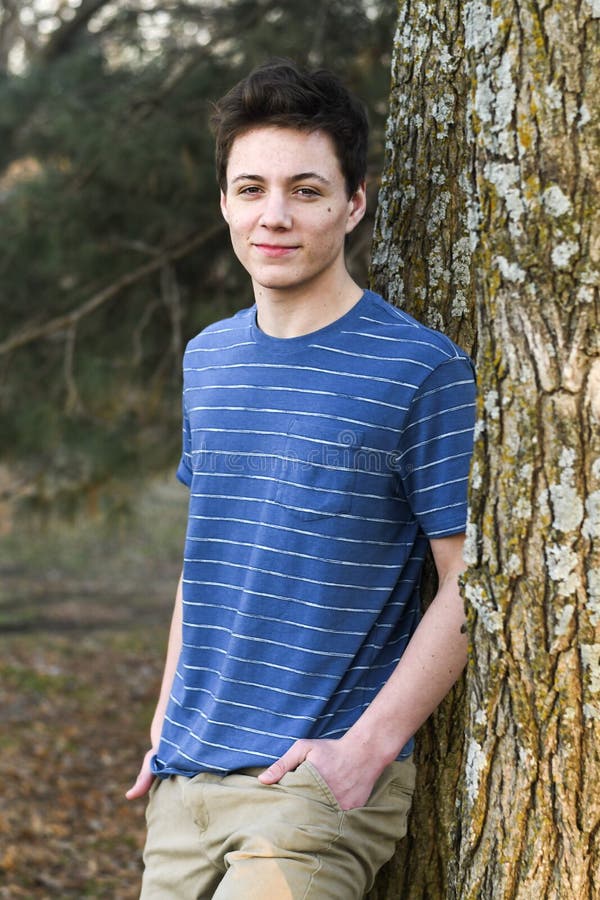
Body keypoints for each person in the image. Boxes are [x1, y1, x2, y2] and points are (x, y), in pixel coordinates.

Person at [126, 59, 476, 900]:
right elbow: (207, 556)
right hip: (184, 785)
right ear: (224, 203)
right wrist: (165, 721)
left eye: (306, 190)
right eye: (251, 189)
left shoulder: (420, 368)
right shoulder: (208, 359)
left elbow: (471, 584)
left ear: (353, 203)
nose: (273, 215)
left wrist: (366, 750)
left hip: (309, 790)